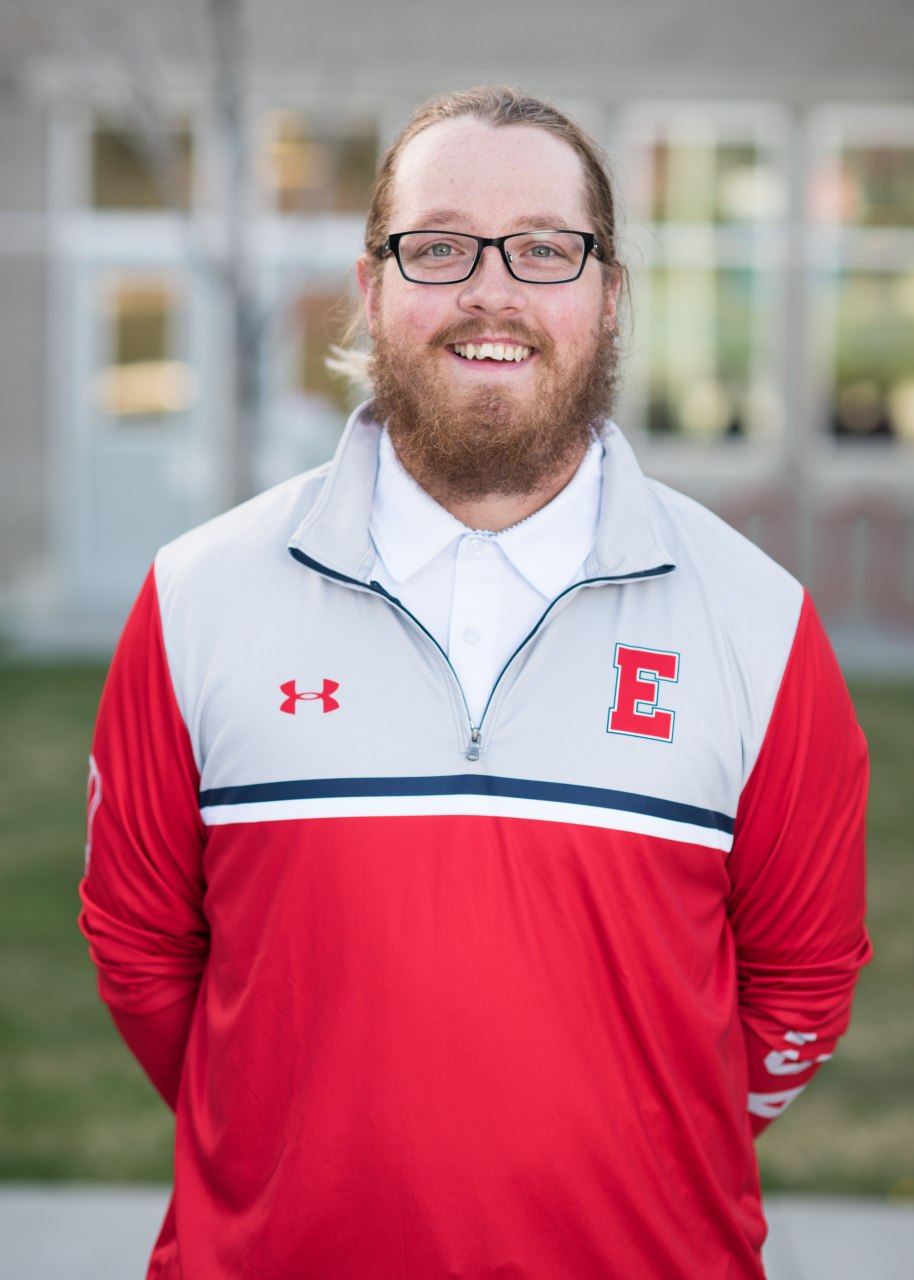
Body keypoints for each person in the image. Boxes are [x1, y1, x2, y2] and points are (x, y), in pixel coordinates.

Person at [80, 86, 871, 1280]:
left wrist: (651, 1135)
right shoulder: (198, 596)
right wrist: (285, 1119)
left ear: (608, 294)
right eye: (439, 247)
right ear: (371, 289)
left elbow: (800, 983)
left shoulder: (758, 620)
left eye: (544, 249)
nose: (490, 290)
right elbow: (142, 955)